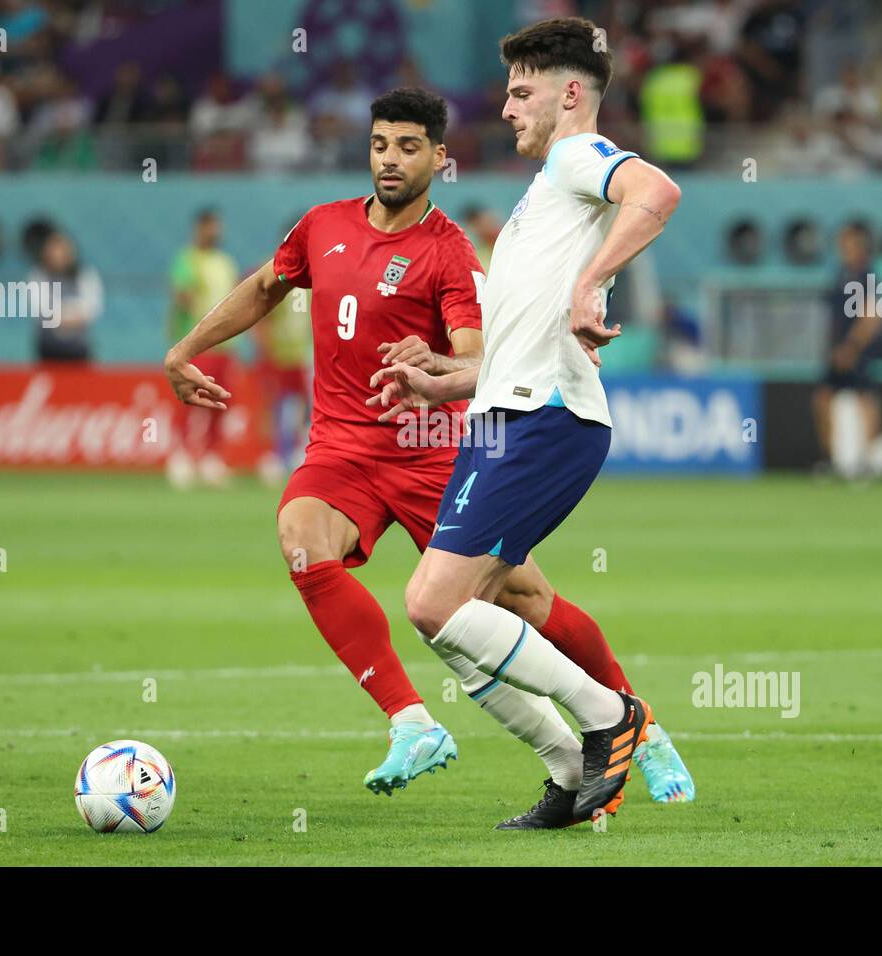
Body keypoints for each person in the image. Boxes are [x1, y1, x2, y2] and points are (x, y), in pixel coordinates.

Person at [165, 85, 693, 828]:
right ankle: (412, 722)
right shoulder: (322, 226)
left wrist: (437, 361)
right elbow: (263, 288)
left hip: (431, 454)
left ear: (440, 159)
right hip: (342, 448)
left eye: (409, 146)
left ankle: (645, 732)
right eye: (381, 144)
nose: (390, 158)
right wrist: (187, 350)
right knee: (300, 540)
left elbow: (478, 354)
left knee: (523, 604)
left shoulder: (449, 250)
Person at [369, 18, 687, 826]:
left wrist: (594, 282)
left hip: (540, 421)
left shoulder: (579, 156)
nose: (506, 108)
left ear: (570, 94)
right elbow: (520, 344)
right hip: (505, 414)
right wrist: (448, 382)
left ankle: (612, 720)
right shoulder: (548, 191)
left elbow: (659, 193)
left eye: (522, 92)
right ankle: (568, 773)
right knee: (458, 618)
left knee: (433, 603)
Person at [166, 208, 239, 488]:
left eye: (217, 227)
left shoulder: (225, 262)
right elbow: (181, 296)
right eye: (210, 227)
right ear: (199, 228)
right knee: (189, 399)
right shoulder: (186, 260)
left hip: (226, 345)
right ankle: (182, 456)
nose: (215, 232)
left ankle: (212, 458)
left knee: (220, 401)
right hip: (197, 345)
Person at [812, 222, 882, 477]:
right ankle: (828, 459)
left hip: (857, 350)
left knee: (865, 400)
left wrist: (852, 347)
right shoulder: (841, 273)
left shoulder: (867, 275)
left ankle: (868, 461)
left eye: (849, 242)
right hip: (837, 349)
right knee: (823, 398)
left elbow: (872, 316)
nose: (844, 248)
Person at [31, 231, 102, 363]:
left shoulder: (85, 274)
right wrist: (66, 315)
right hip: (48, 348)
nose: (58, 256)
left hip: (79, 348)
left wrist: (65, 316)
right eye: (53, 251)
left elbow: (91, 308)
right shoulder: (38, 275)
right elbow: (40, 309)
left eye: (61, 251)